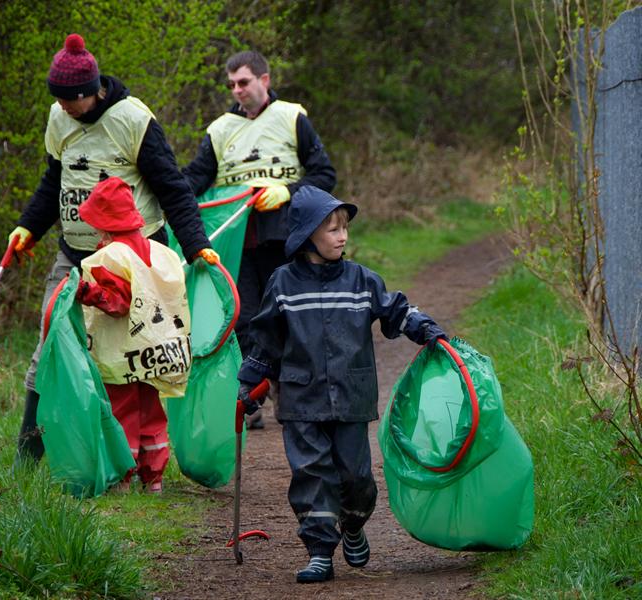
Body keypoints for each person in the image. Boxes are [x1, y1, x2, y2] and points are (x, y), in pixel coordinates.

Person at [10, 33, 217, 465]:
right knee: (49, 349)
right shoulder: (58, 118)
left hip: (131, 264)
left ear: (90, 91)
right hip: (74, 256)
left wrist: (198, 247)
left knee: (129, 361)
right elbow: (55, 181)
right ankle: (28, 459)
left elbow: (174, 189)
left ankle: (135, 459)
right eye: (58, 100)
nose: (63, 107)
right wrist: (28, 227)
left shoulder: (133, 120)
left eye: (70, 100)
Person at [236, 186, 448, 583]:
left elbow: (396, 310)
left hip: (351, 397)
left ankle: (352, 524)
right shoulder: (283, 284)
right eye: (332, 229)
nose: (342, 237)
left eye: (344, 228)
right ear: (306, 235)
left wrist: (425, 328)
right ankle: (319, 550)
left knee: (356, 477)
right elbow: (265, 340)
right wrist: (249, 383)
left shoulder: (361, 281)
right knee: (311, 474)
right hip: (301, 398)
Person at [182, 50, 336, 429]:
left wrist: (288, 190)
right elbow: (192, 181)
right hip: (237, 243)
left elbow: (324, 174)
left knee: (289, 316)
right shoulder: (219, 130)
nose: (237, 90)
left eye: (244, 82)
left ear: (264, 81)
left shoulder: (291, 117)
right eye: (232, 84)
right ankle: (253, 396)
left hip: (287, 237)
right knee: (245, 318)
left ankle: (293, 392)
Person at [72, 176, 190, 493]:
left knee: (121, 412)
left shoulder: (112, 257)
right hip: (155, 351)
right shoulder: (160, 251)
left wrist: (86, 292)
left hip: (121, 354)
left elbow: (118, 303)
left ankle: (122, 478)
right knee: (152, 414)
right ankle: (154, 479)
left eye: (96, 224)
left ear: (106, 224)